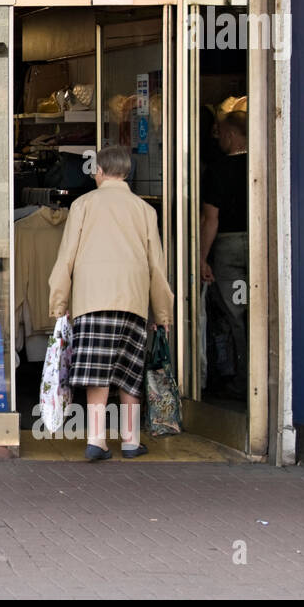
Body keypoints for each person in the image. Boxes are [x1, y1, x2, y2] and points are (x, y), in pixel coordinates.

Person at [48, 146, 174, 460]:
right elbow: (156, 265)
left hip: (92, 299)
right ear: (127, 172)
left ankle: (96, 440)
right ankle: (130, 441)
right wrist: (162, 312)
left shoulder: (83, 205)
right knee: (130, 370)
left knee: (96, 372)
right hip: (132, 298)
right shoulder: (144, 210)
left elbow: (67, 258)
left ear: (99, 171)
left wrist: (59, 302)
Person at [200, 108, 248, 399]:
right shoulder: (262, 162)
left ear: (231, 135)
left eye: (220, 133)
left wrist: (202, 257)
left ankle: (243, 381)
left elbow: (211, 219)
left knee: (236, 316)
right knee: (258, 313)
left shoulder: (217, 169)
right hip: (258, 243)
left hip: (228, 247)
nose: (217, 139)